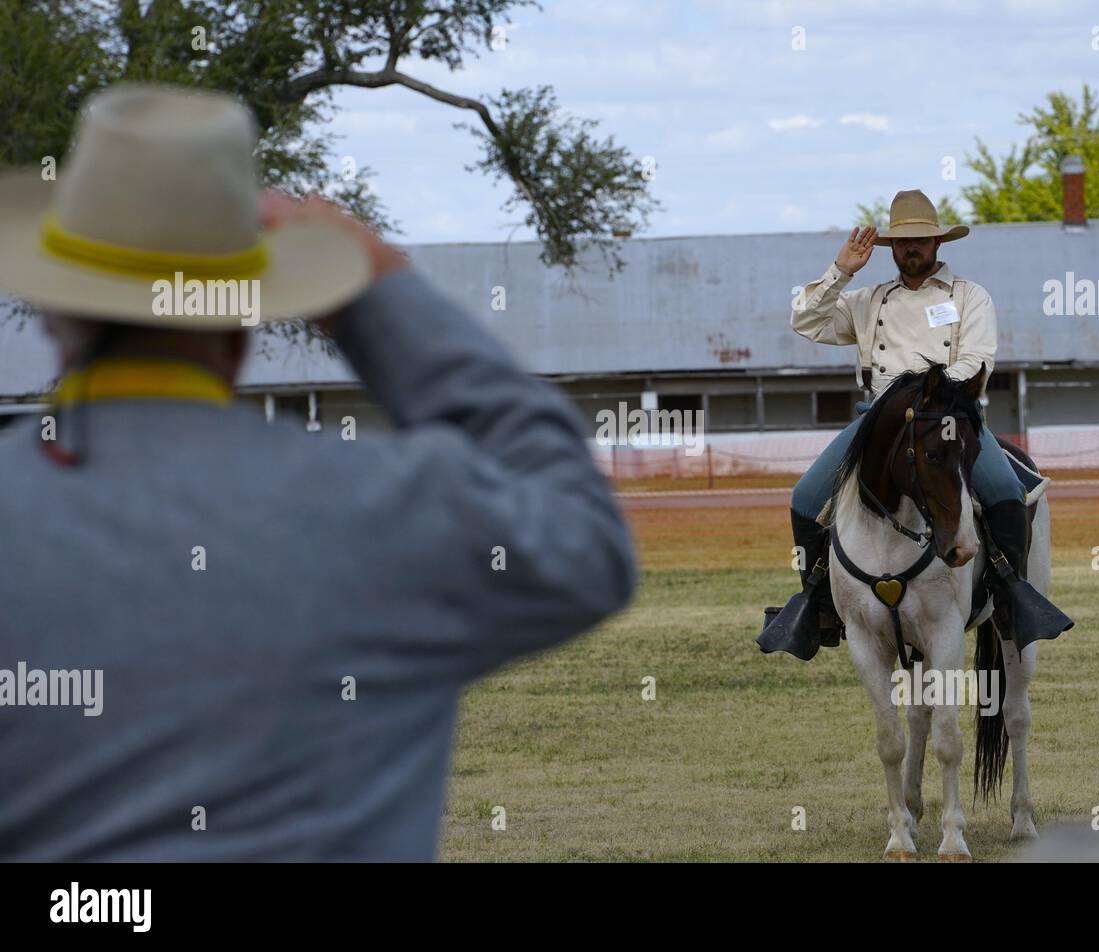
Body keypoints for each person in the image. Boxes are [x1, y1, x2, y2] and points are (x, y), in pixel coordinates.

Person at [0, 83, 637, 860]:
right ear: (244, 322)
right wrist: (378, 294)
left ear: (54, 311)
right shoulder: (389, 502)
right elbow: (581, 534)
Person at [759, 189, 1072, 660]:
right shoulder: (868, 301)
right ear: (890, 248)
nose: (912, 248)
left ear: (938, 243)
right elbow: (806, 321)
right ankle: (820, 604)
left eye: (921, 240)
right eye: (903, 241)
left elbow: (978, 359)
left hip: (948, 420)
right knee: (805, 498)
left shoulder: (970, 297)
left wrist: (929, 400)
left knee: (1007, 494)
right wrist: (841, 271)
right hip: (878, 423)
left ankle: (1011, 598)